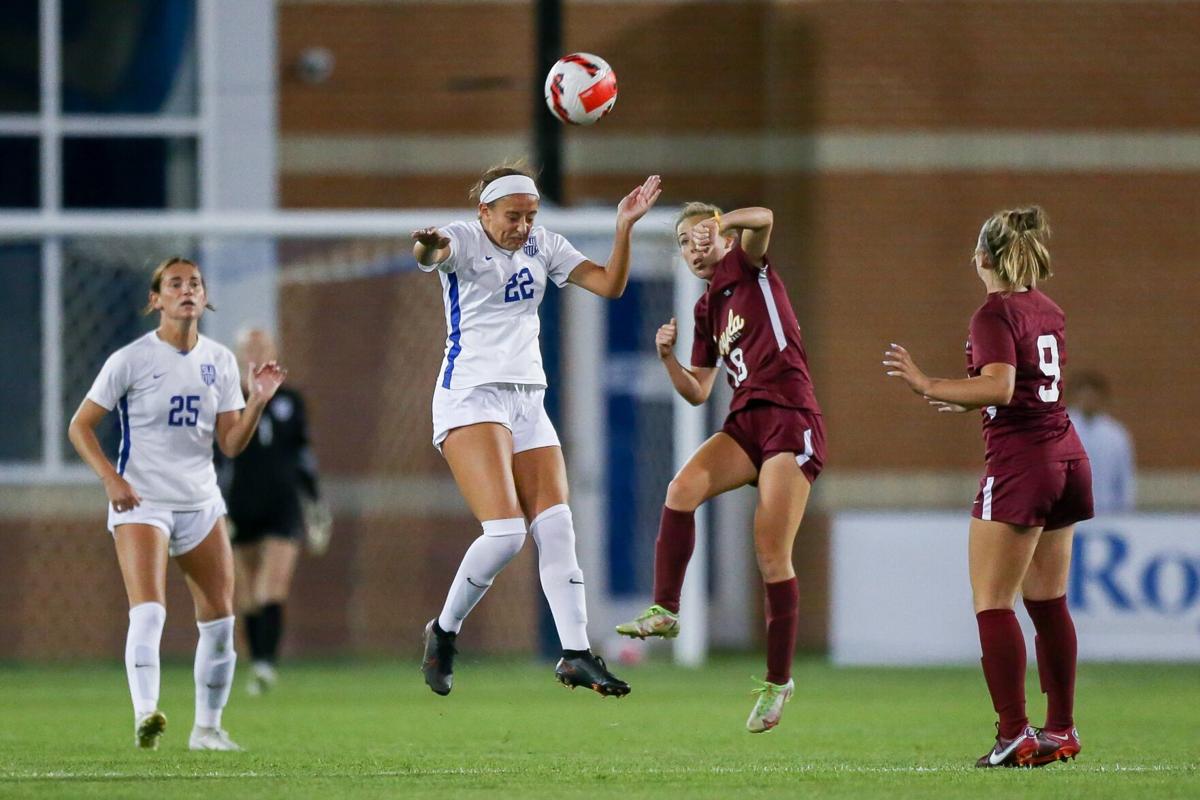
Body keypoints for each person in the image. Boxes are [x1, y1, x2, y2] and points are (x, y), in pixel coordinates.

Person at [413, 164, 661, 697]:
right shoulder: (463, 238)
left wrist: (623, 228)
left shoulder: (543, 244)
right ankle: (444, 632)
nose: (522, 226)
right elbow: (432, 255)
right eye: (512, 216)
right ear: (484, 211)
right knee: (505, 535)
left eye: (530, 215)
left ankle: (575, 653)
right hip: (471, 395)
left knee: (557, 526)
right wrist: (428, 247)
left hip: (527, 397)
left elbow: (610, 285)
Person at [882, 206, 1092, 768]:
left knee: (993, 603)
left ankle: (1014, 734)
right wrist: (968, 398)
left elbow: (1000, 386)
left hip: (1023, 464)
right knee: (1048, 602)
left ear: (982, 256)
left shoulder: (992, 313)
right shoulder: (1047, 307)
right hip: (1066, 455)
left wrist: (926, 382)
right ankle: (1061, 728)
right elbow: (1025, 388)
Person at [614, 202, 826, 733]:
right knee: (680, 489)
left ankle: (778, 682)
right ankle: (665, 610)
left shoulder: (748, 265)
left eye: (700, 236)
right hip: (746, 422)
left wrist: (722, 223)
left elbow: (766, 217)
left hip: (789, 415)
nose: (694, 248)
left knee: (770, 553)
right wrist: (668, 359)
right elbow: (698, 390)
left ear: (725, 239)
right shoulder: (706, 309)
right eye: (684, 243)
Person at [67, 257, 286, 751]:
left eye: (194, 284)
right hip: (142, 501)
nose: (187, 290)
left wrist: (257, 401)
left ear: (204, 298)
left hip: (200, 502)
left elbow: (230, 444)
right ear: (156, 299)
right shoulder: (130, 360)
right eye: (175, 284)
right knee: (149, 612)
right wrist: (110, 479)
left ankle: (207, 729)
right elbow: (80, 426)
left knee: (221, 620)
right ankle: (146, 714)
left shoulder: (220, 361)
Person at [223, 327, 327, 696]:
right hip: (240, 501)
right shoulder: (226, 399)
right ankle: (257, 660)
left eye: (262, 346)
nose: (255, 352)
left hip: (282, 501)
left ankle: (266, 665)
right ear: (237, 354)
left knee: (274, 584)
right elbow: (216, 455)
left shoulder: (290, 401)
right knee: (248, 589)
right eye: (248, 347)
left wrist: (314, 501)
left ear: (274, 352)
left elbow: (302, 453)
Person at [1069, 370, 1136, 514]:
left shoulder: (1116, 434)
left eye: (1093, 395)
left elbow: (1124, 477)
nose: (1088, 400)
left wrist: (1126, 510)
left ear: (1101, 398)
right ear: (1076, 396)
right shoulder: (1061, 430)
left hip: (1107, 510)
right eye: (1085, 394)